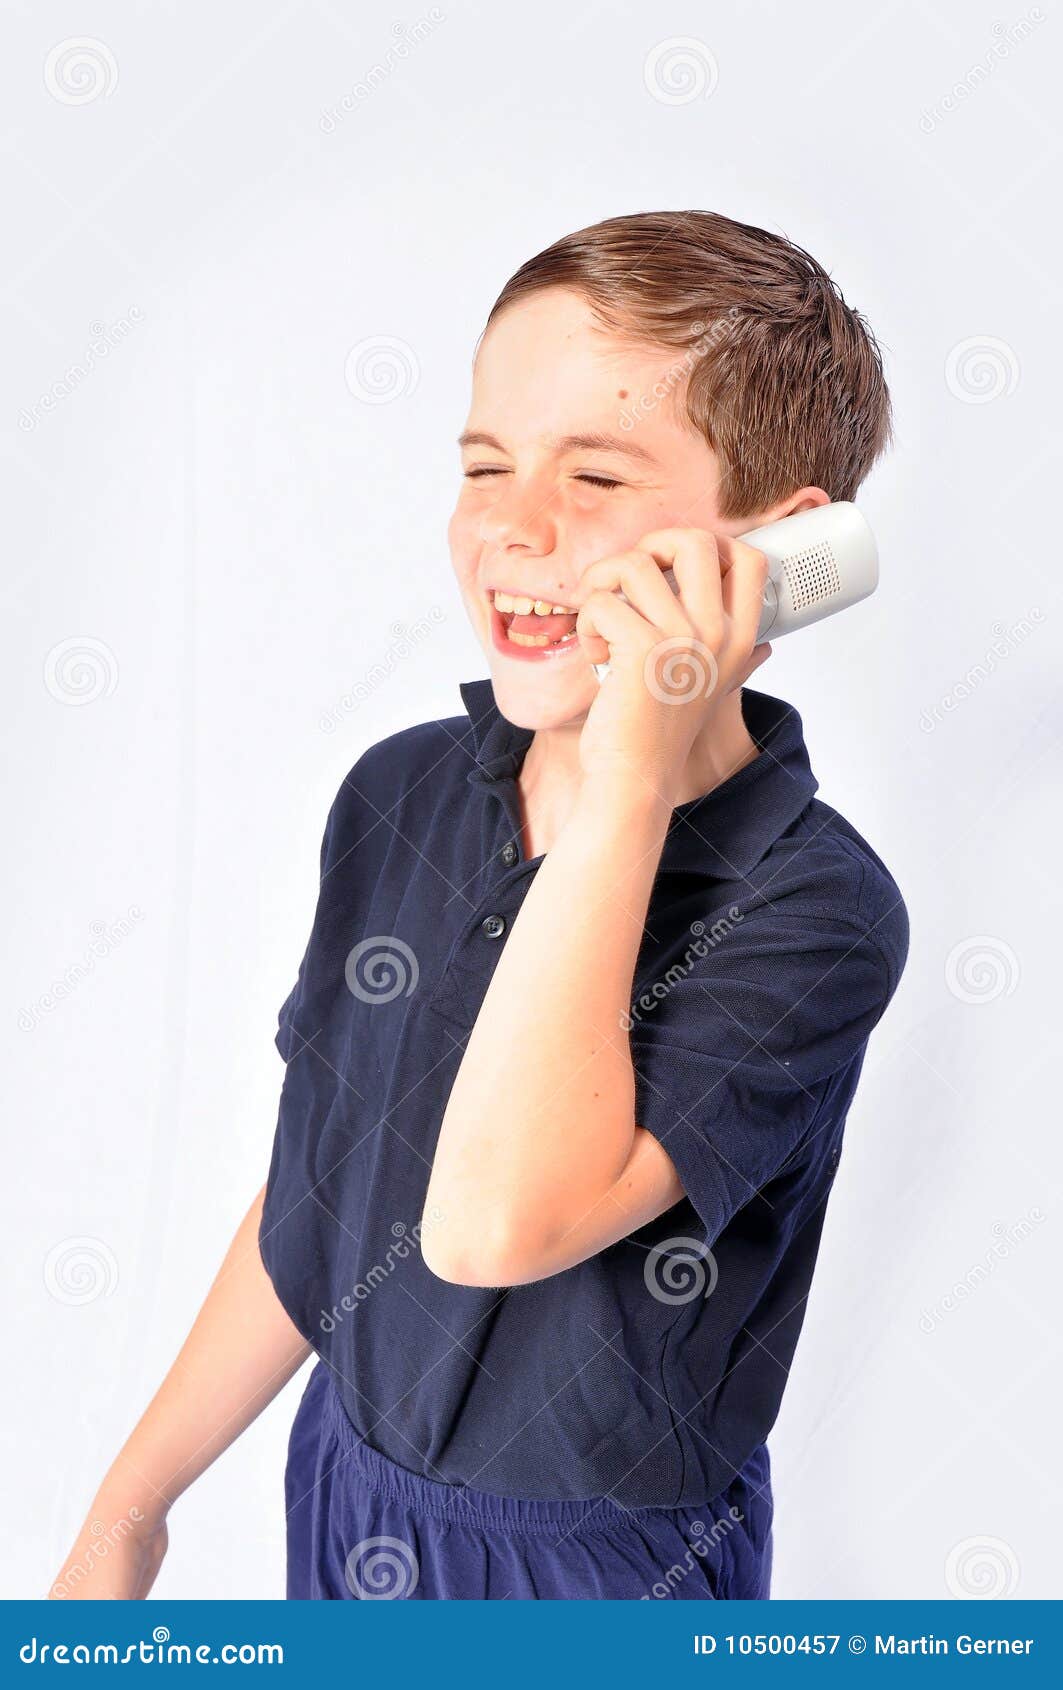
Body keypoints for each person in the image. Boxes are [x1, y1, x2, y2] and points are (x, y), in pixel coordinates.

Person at [52, 210, 908, 1601]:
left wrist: (630, 776)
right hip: (350, 1488)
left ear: (776, 554)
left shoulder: (815, 905)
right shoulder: (402, 801)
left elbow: (490, 1224)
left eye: (599, 475)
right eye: (485, 465)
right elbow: (328, 1196)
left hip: (597, 1575)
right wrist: (129, 1508)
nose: (514, 524)